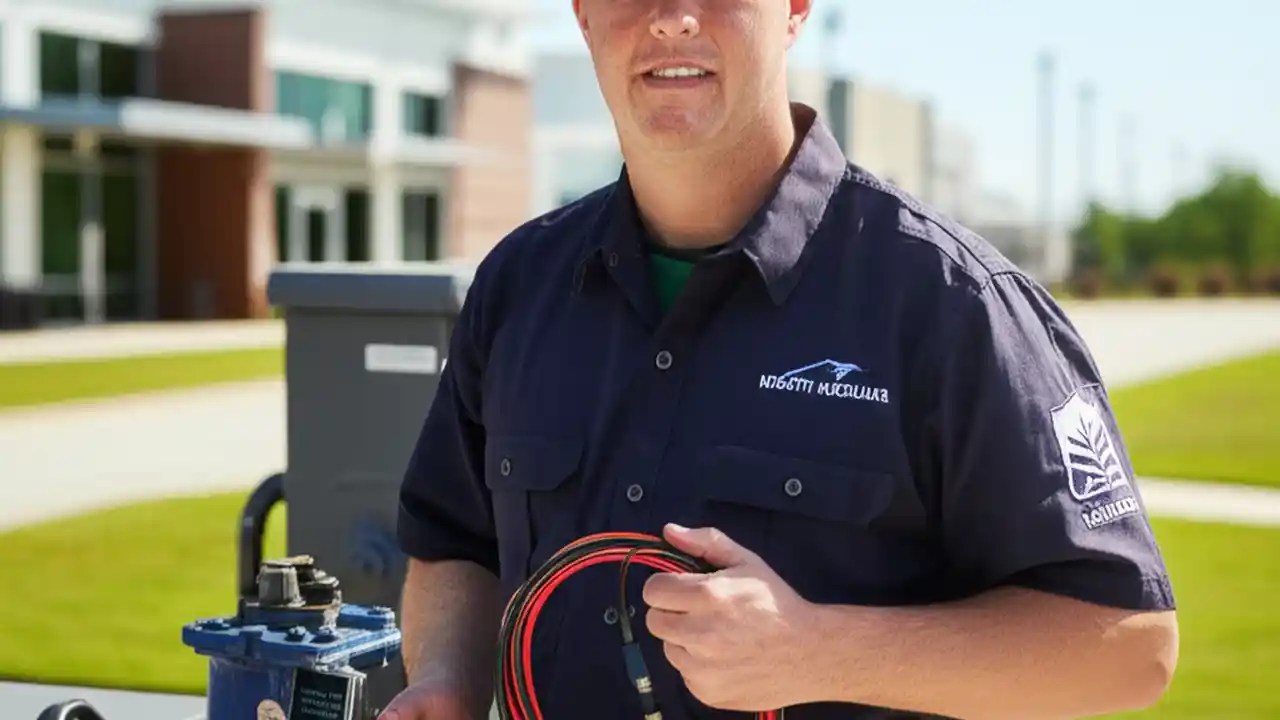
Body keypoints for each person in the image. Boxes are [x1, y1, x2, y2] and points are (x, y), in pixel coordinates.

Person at [382, 1, 1179, 718]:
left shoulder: (949, 303)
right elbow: (456, 541)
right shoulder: (520, 286)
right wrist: (448, 679)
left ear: (795, 9)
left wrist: (818, 650)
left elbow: (1130, 648)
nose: (671, 16)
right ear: (583, 13)